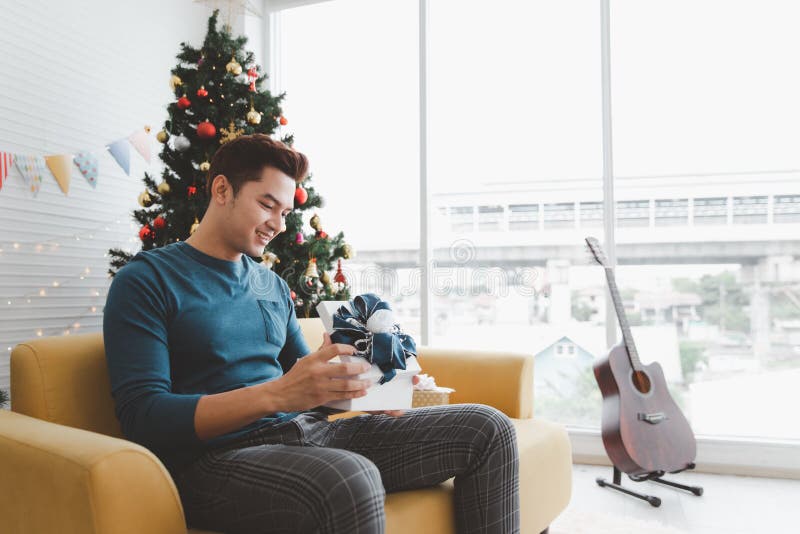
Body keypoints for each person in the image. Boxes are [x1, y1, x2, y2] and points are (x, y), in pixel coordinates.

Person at [103, 134, 519, 534]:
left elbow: (307, 388)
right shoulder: (146, 281)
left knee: (488, 428)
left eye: (285, 212)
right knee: (349, 479)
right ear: (222, 190)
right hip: (213, 461)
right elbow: (144, 417)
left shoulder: (270, 284)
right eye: (267, 205)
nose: (278, 225)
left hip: (306, 434)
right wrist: (277, 395)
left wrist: (364, 387)